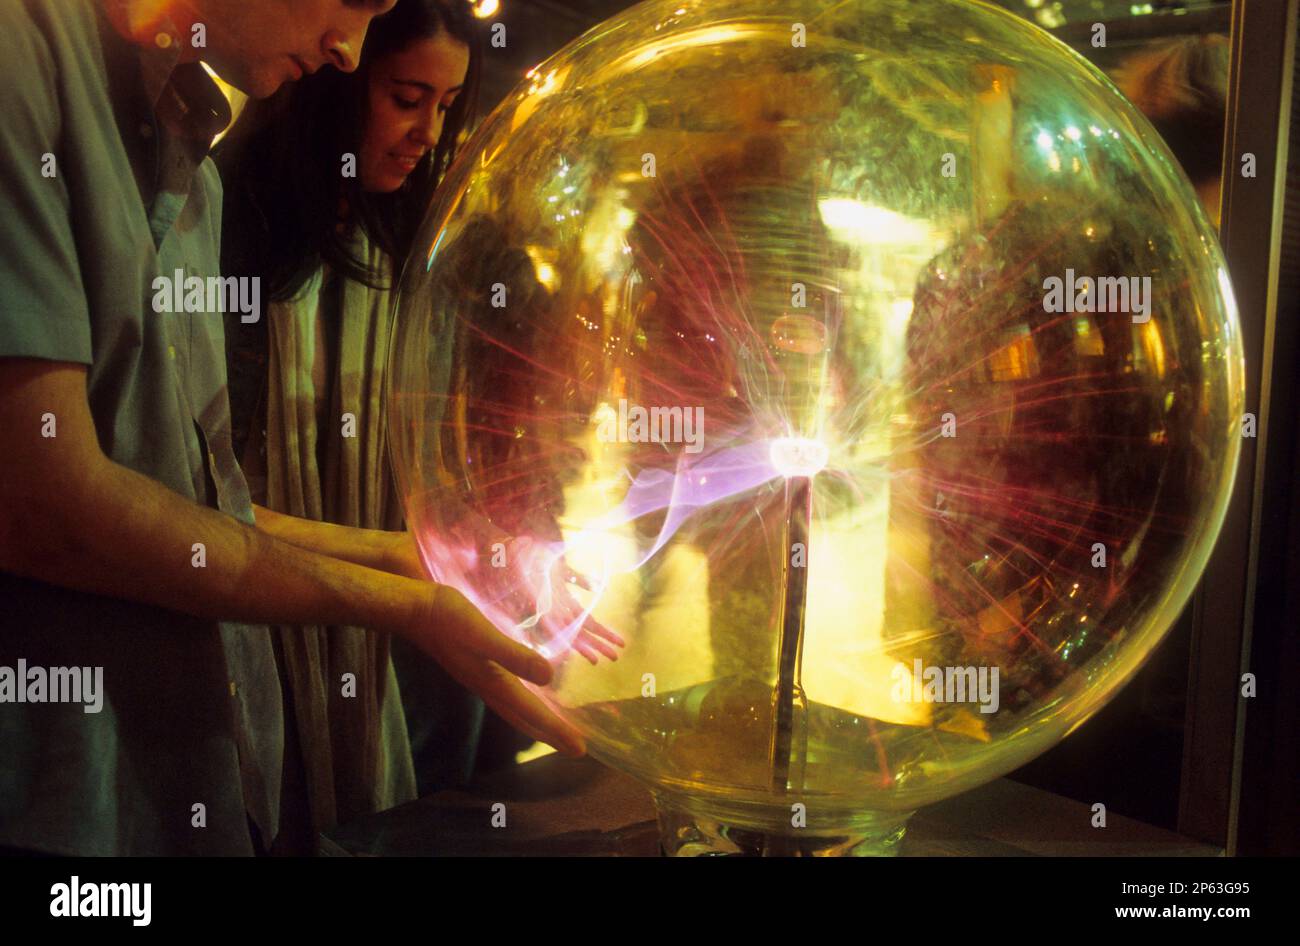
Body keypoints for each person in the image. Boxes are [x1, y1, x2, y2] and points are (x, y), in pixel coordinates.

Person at [0, 0, 583, 858]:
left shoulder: (191, 162)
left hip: (192, 775)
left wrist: (413, 558)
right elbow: (46, 506)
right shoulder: (25, 53)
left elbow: (202, 503)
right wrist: (410, 603)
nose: (346, 51)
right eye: (353, 4)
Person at [217, 0, 485, 832]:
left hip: (374, 631)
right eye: (406, 98)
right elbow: (200, 491)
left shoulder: (398, 233)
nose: (427, 135)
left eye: (445, 108)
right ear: (340, 81)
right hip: (243, 617)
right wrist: (396, 570)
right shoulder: (228, 218)